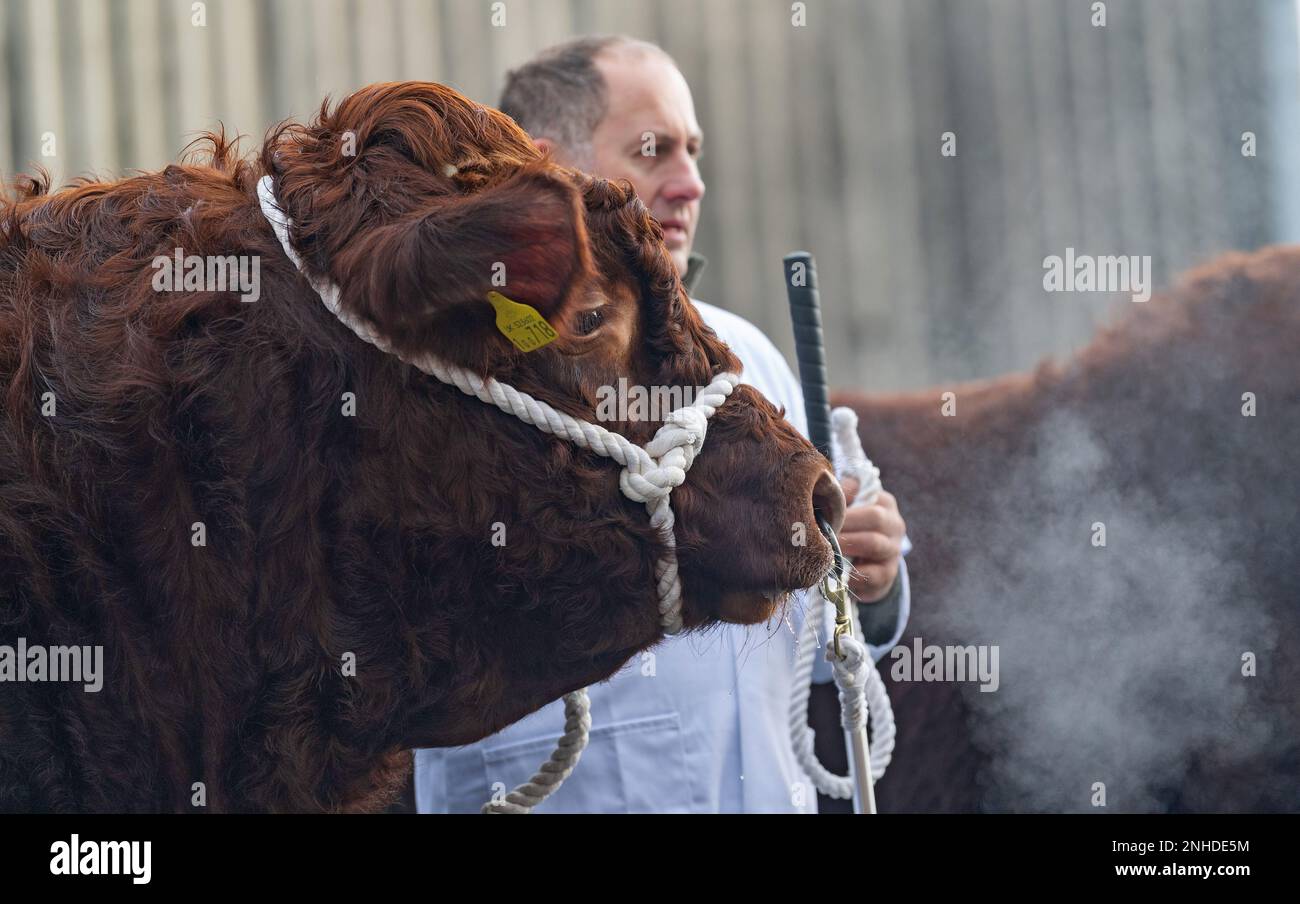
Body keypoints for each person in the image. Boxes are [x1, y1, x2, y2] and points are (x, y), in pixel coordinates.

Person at [414, 35, 911, 813]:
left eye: (696, 152)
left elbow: (811, 658)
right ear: (547, 173)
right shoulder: (458, 373)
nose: (691, 185)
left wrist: (862, 584)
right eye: (654, 152)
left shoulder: (747, 359)